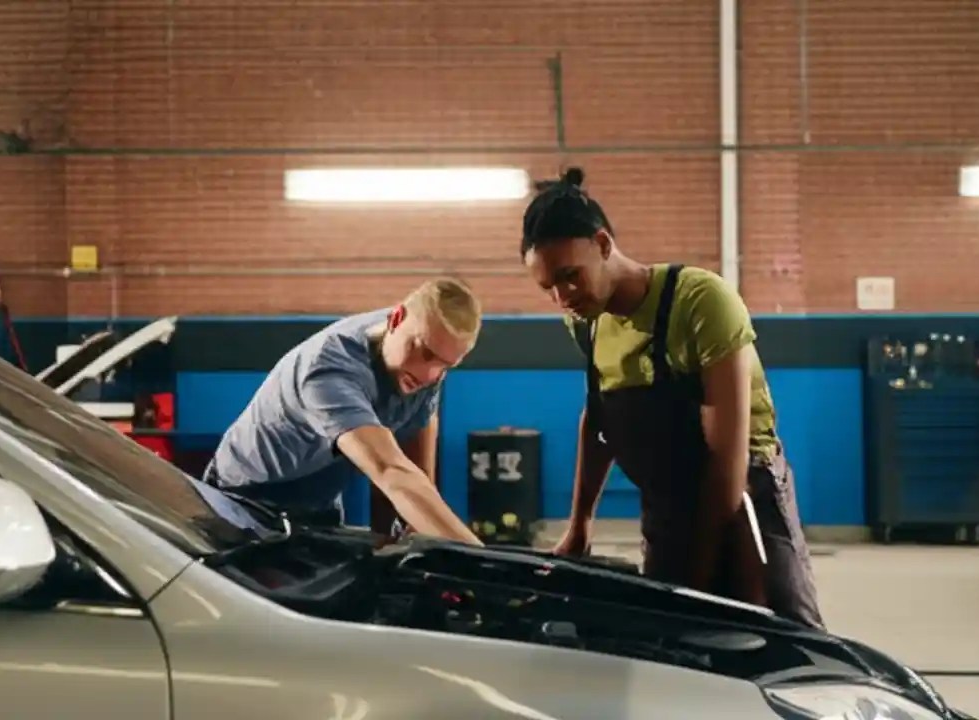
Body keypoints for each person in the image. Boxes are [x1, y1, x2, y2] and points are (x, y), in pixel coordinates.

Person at [518, 167, 825, 629]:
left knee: (783, 638)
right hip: (665, 506)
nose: (563, 297)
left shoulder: (700, 301)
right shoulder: (588, 320)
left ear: (603, 245)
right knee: (669, 647)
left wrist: (695, 580)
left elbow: (728, 462)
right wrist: (580, 524)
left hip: (746, 497)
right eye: (549, 288)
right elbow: (600, 420)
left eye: (570, 277)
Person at [200, 277, 484, 546]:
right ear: (396, 319)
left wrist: (411, 520)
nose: (429, 374)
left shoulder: (422, 347)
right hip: (245, 501)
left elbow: (421, 422)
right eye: (424, 353)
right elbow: (390, 470)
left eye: (446, 366)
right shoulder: (329, 370)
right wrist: (485, 563)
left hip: (319, 500)